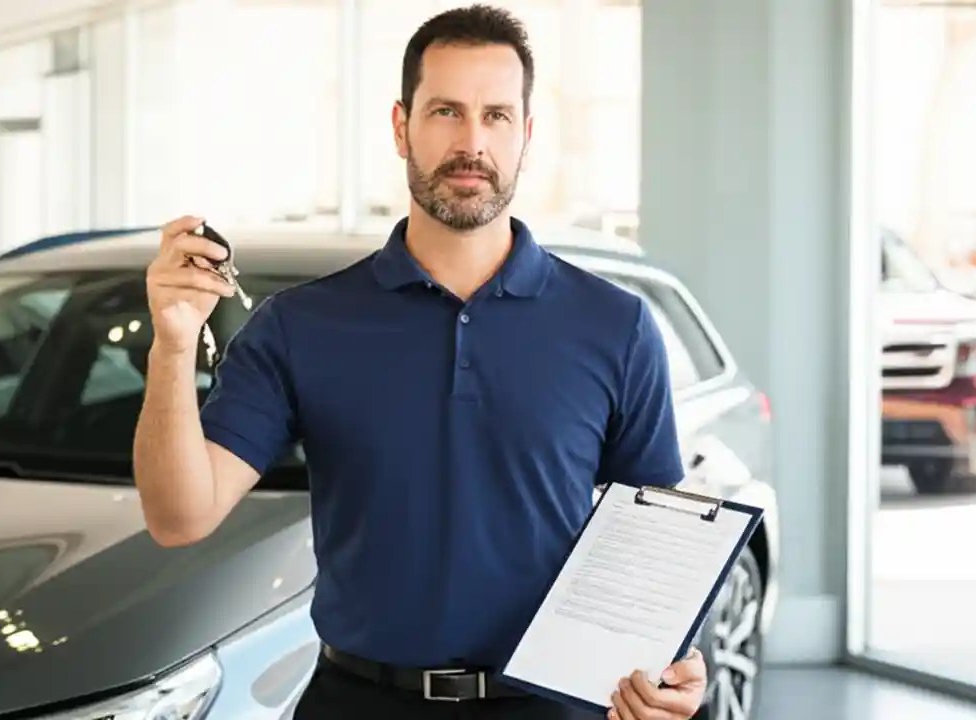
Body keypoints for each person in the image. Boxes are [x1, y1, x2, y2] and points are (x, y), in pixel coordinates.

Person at [134, 4, 707, 719]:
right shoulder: (302, 326)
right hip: (359, 701)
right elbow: (177, 517)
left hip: (556, 707)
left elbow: (658, 538)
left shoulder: (614, 325)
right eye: (446, 111)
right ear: (402, 126)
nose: (473, 143)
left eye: (497, 116)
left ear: (526, 135)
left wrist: (678, 663)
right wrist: (174, 343)